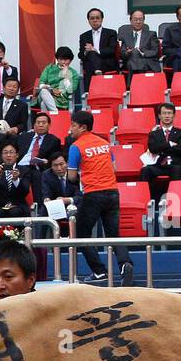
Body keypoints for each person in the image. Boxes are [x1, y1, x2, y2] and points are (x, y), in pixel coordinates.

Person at [68, 110, 132, 284]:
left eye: (73, 125)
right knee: (113, 234)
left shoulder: (76, 146)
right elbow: (115, 168)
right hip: (112, 192)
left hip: (93, 194)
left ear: (83, 127)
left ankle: (99, 271)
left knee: (81, 234)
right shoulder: (104, 143)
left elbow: (71, 177)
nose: (70, 129)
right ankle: (125, 264)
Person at [0, 141, 30, 218]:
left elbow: (25, 191)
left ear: (17, 155)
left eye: (11, 152)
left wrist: (16, 180)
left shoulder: (24, 170)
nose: (8, 155)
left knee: (15, 212)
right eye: (5, 153)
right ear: (2, 156)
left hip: (19, 205)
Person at [77, 8, 117, 90]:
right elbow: (80, 54)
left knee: (93, 53)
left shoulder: (111, 33)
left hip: (106, 62)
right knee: (90, 54)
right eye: (92, 18)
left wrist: (96, 51)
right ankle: (97, 73)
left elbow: (112, 50)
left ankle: (90, 90)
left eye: (97, 18)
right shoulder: (84, 36)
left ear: (102, 19)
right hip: (90, 64)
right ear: (88, 20)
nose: (95, 20)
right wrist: (86, 51)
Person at [35, 47, 80, 111]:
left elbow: (71, 90)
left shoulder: (73, 73)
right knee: (43, 91)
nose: (63, 62)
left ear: (70, 60)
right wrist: (50, 89)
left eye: (66, 60)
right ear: (57, 59)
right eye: (60, 59)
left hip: (62, 99)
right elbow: (41, 83)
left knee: (43, 104)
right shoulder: (49, 68)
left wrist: (66, 77)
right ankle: (56, 112)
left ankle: (51, 117)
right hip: (45, 94)